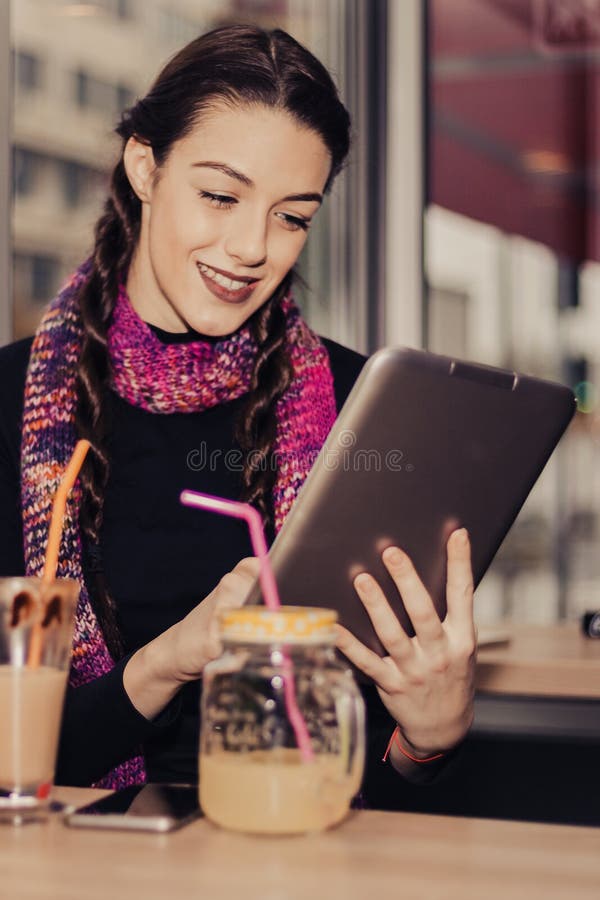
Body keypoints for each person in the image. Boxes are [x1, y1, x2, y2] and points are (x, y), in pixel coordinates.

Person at [0, 24, 476, 800]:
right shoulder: (12, 401)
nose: (252, 246)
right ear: (145, 167)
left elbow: (377, 795)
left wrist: (429, 739)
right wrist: (167, 660)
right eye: (220, 195)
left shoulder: (365, 411)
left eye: (293, 216)